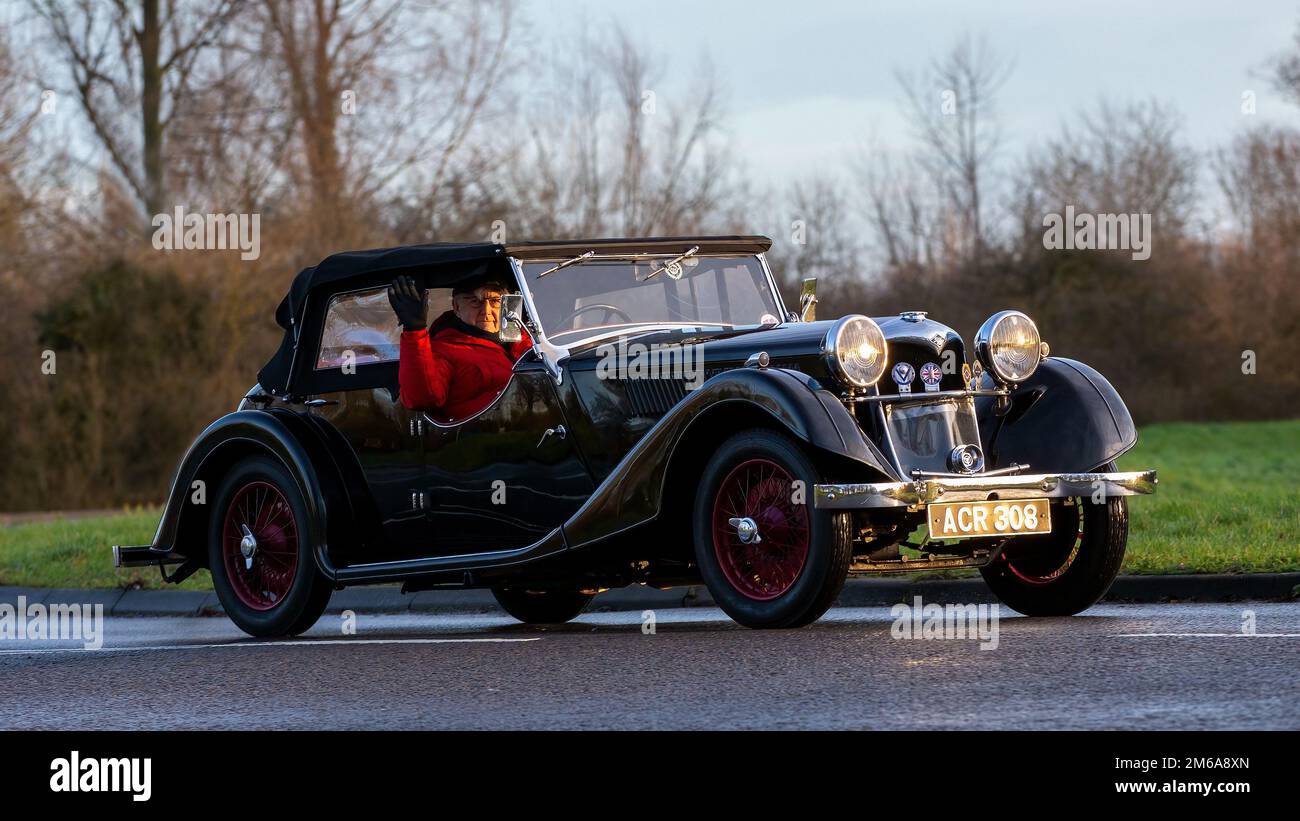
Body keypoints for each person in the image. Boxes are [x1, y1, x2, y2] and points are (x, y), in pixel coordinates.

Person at [387, 274, 533, 421]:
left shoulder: (517, 338)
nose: (487, 311)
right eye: (475, 301)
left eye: (495, 301)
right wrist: (414, 331)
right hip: (485, 432)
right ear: (457, 308)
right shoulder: (444, 349)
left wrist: (523, 324)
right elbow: (422, 398)